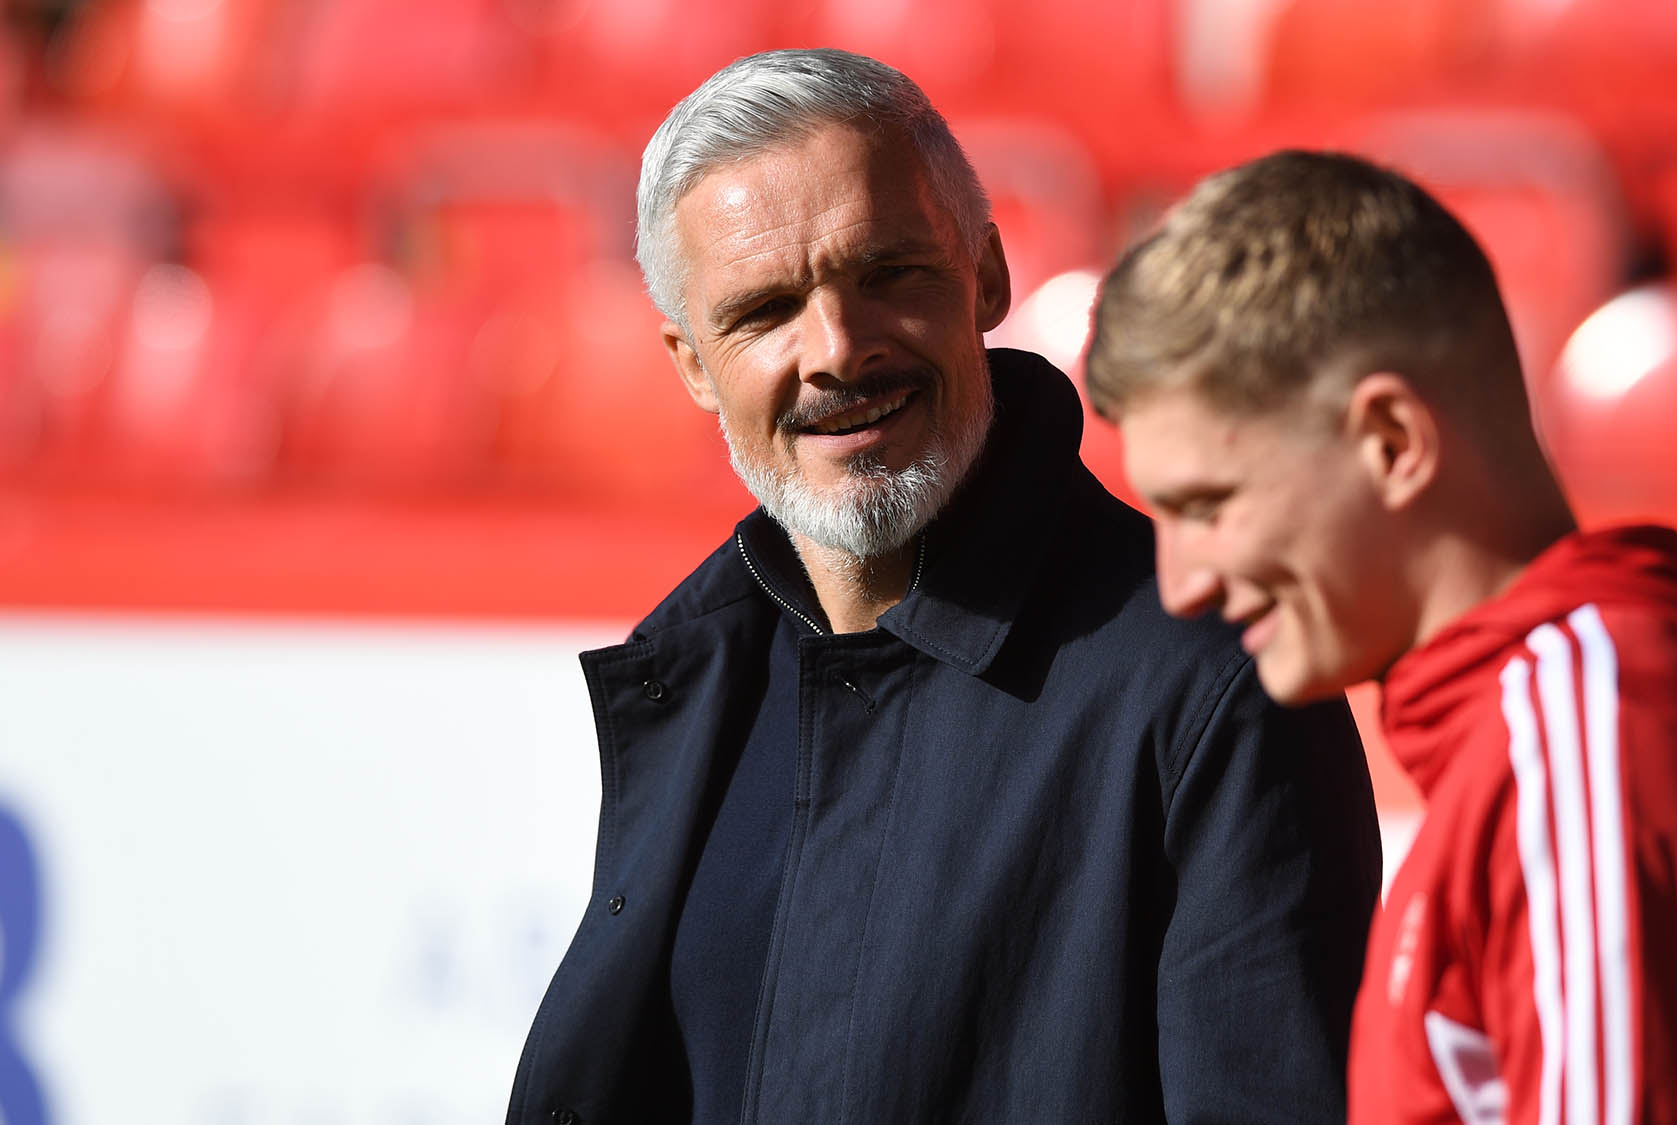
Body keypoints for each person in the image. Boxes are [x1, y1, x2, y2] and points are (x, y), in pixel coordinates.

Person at [508, 51, 1383, 1124]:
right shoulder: (693, 678)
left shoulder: (1213, 682)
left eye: (886, 273)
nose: (835, 351)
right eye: (765, 310)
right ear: (691, 363)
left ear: (986, 277)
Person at [1085, 148, 1677, 1124]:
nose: (1180, 586)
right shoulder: (1551, 728)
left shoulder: (1591, 732)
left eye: (1209, 505)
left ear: (1391, 440)